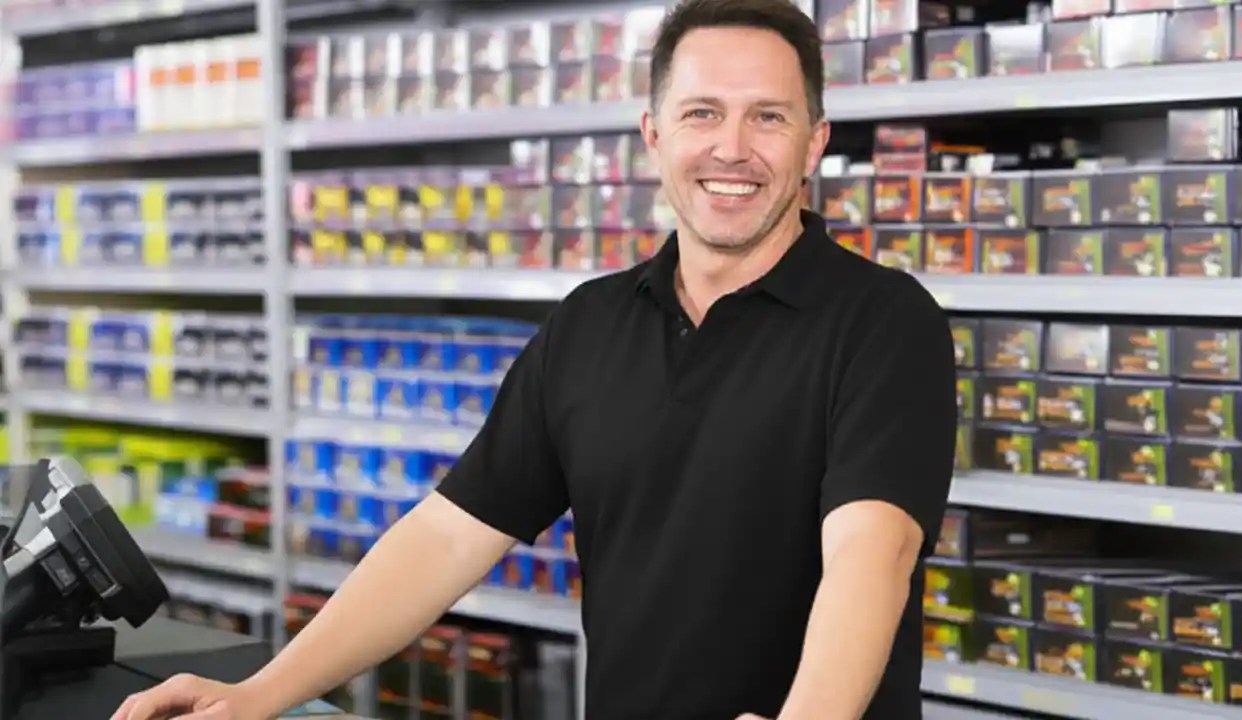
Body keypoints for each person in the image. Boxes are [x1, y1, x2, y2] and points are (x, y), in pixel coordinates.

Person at [112, 0, 956, 718]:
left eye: (767, 116)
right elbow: (446, 536)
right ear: (654, 136)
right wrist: (261, 693)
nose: (732, 147)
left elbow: (870, 556)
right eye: (703, 113)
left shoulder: (883, 323)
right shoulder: (590, 325)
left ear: (814, 144)